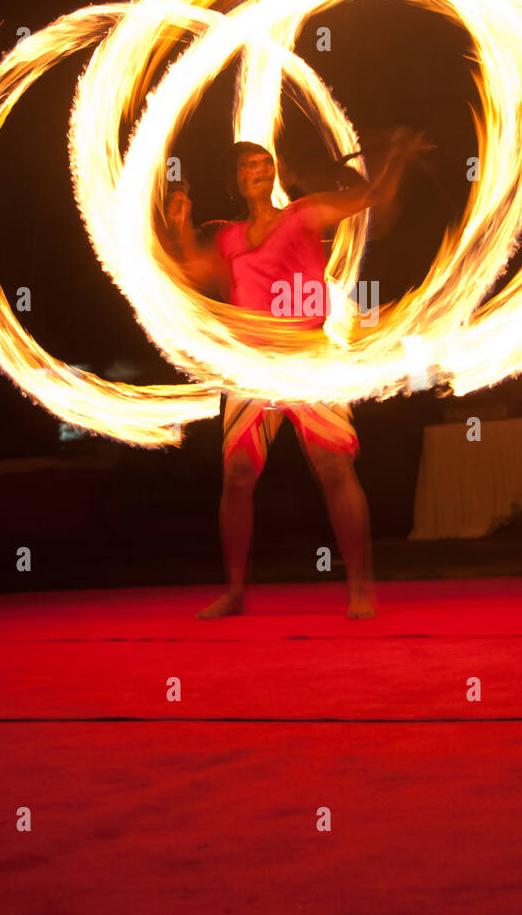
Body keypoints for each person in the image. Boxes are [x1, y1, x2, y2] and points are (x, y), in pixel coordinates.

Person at [164, 130, 432, 618]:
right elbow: (193, 272)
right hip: (252, 365)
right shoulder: (227, 236)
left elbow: (374, 200)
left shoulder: (304, 213)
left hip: (308, 354)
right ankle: (236, 591)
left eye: (263, 162)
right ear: (236, 181)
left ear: (275, 171)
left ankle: (359, 587)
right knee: (238, 474)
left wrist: (394, 157)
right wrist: (181, 225)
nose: (257, 170)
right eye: (246, 166)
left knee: (333, 467)